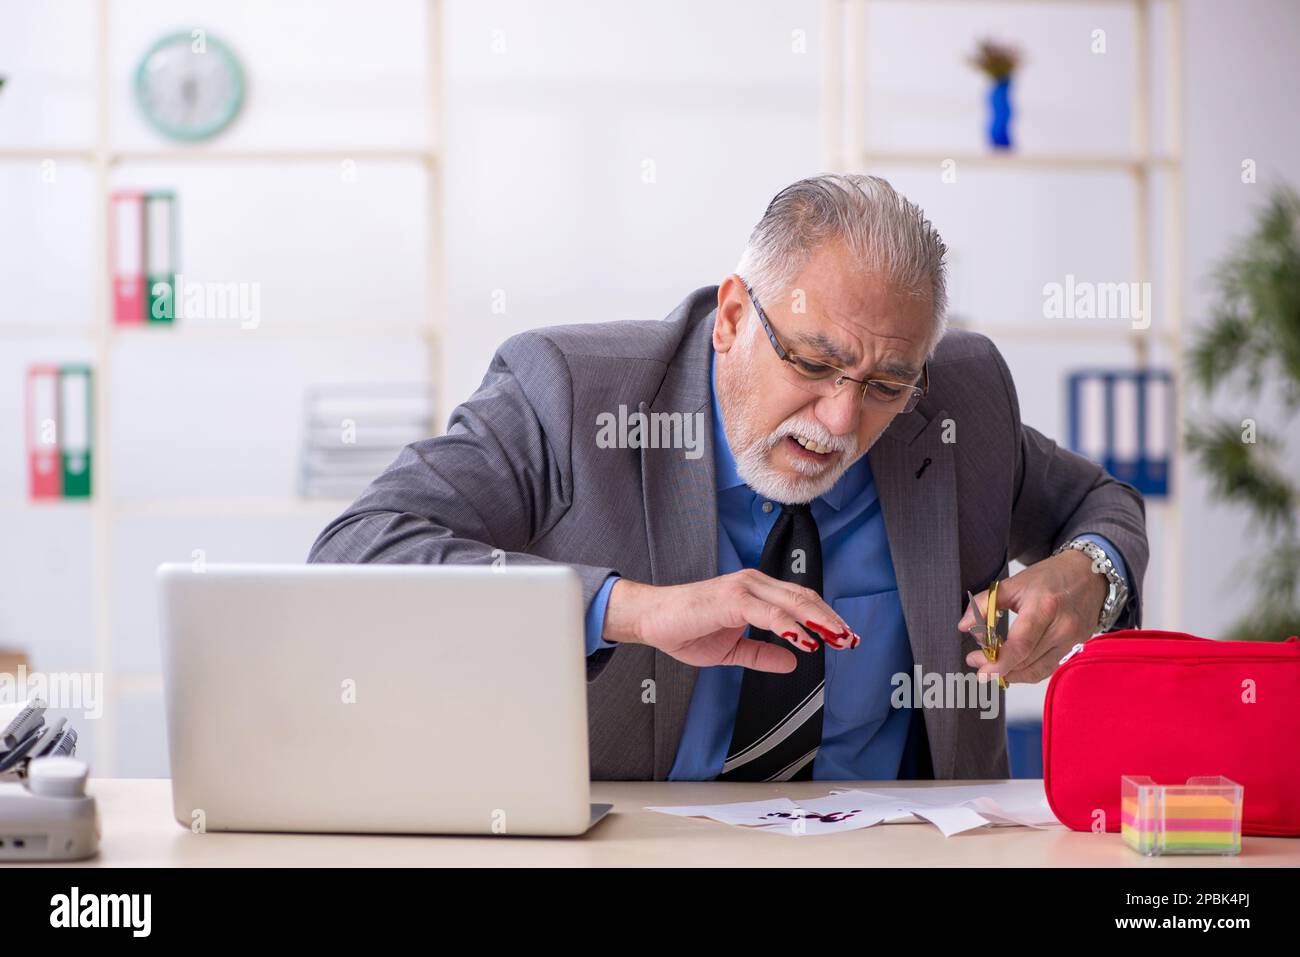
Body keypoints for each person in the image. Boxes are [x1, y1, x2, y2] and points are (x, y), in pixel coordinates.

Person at [309, 174, 1147, 782]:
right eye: (815, 364)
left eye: (886, 385)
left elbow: (1098, 503)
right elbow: (355, 556)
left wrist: (1090, 577)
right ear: (735, 317)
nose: (840, 421)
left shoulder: (959, 401)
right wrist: (634, 608)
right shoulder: (570, 392)